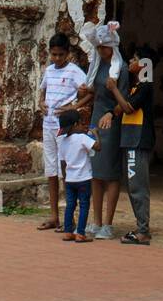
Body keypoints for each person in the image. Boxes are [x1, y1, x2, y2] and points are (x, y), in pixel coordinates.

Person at [83, 24, 129, 239]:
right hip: (95, 120)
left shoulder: (122, 69)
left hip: (112, 120)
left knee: (110, 172)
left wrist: (112, 112)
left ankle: (108, 223)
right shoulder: (98, 65)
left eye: (105, 47)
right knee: (94, 171)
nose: (102, 51)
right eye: (99, 47)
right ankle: (96, 220)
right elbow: (93, 91)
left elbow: (124, 101)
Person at [37, 32, 86, 231]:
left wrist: (73, 107)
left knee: (66, 170)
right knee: (51, 171)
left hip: (63, 128)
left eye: (60, 55)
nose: (57, 58)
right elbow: (42, 91)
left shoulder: (75, 72)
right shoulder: (49, 71)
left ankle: (69, 217)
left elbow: (89, 92)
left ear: (67, 54)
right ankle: (54, 215)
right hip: (48, 125)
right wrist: (41, 103)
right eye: (54, 54)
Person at [108, 44, 156, 245]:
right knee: (134, 184)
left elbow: (127, 108)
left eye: (135, 59)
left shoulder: (146, 86)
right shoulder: (136, 86)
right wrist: (110, 113)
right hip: (130, 139)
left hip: (138, 140)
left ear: (145, 64)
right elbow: (121, 107)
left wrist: (113, 89)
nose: (130, 61)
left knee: (138, 186)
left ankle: (143, 230)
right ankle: (141, 227)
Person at [57, 110, 99, 242]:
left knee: (70, 205)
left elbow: (63, 163)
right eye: (81, 123)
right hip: (84, 179)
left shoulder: (62, 142)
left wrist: (64, 179)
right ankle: (80, 233)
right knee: (84, 205)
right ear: (76, 124)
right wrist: (96, 134)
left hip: (70, 180)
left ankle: (68, 231)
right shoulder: (82, 138)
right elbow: (98, 147)